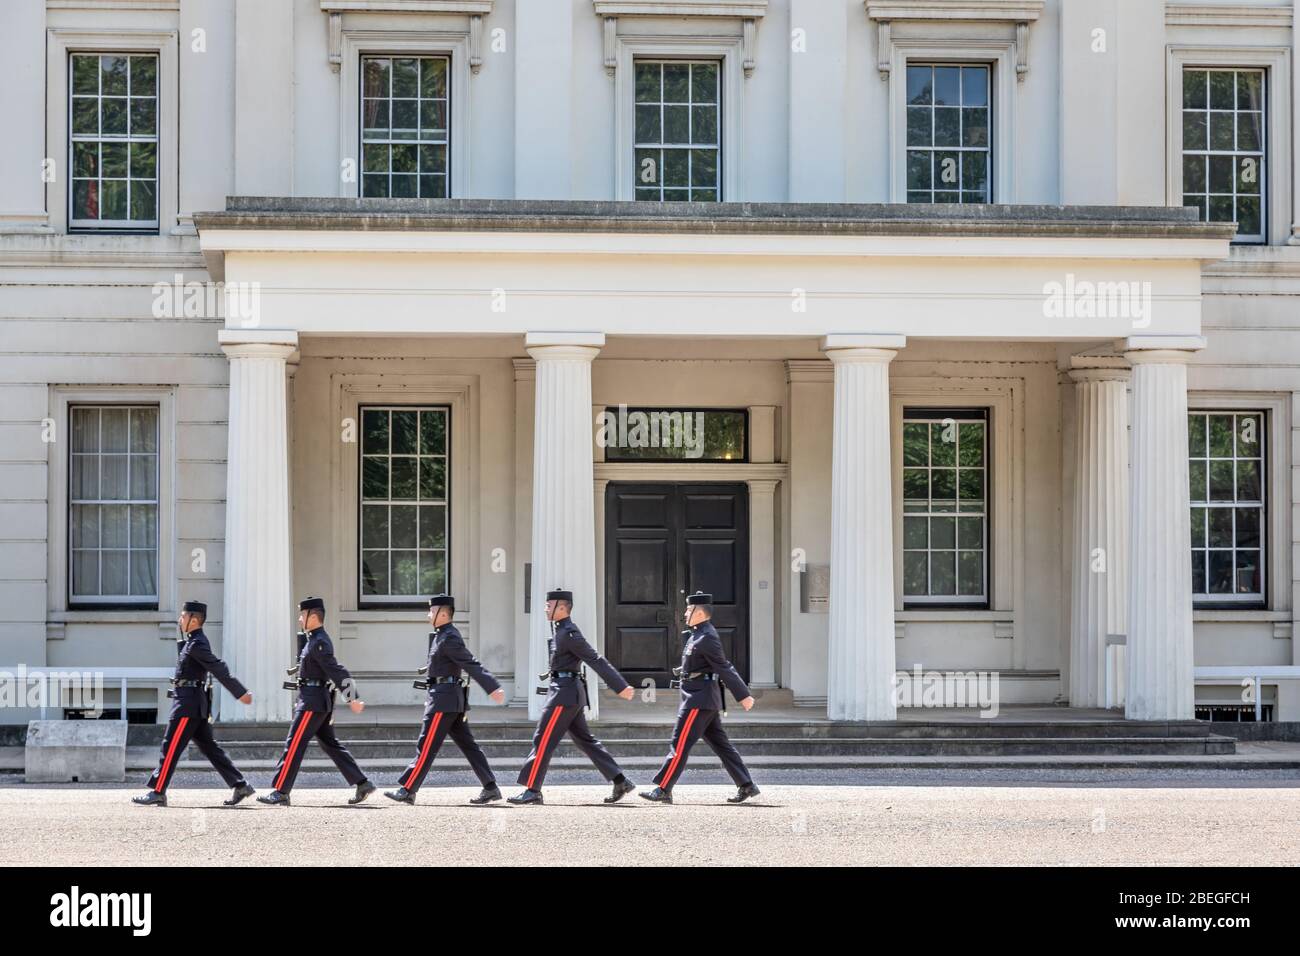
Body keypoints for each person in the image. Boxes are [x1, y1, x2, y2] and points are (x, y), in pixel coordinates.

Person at [508, 588, 636, 806]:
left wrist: (620, 686)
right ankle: (620, 780)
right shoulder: (560, 631)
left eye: (549, 605)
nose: (546, 609)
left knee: (543, 738)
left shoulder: (569, 633)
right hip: (566, 691)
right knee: (585, 741)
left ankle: (532, 789)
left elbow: (595, 659)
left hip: (564, 694)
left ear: (562, 607)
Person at [385, 593, 507, 805]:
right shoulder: (441, 635)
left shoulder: (449, 637)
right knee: (468, 746)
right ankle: (490, 787)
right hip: (447, 698)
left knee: (426, 744)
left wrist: (491, 686)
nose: (428, 614)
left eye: (431, 611)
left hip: (443, 700)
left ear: (443, 613)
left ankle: (408, 789)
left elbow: (471, 663)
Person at [640, 591, 760, 804]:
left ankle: (664, 788)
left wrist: (743, 695)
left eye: (688, 609)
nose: (685, 613)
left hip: (698, 699)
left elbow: (724, 666)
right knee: (722, 746)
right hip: (701, 697)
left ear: (700, 613)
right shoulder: (697, 634)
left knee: (680, 743)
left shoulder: (707, 637)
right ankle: (747, 785)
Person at [132, 600, 255, 807]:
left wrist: (239, 691)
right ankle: (240, 784)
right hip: (193, 703)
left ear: (194, 620)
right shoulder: (192, 642)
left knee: (170, 746)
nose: (180, 620)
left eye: (183, 616)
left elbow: (218, 667)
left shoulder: (197, 643)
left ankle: (158, 790)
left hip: (188, 705)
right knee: (210, 748)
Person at [257, 596, 375, 806]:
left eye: (303, 615)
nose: (300, 619)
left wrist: (352, 697)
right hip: (314, 699)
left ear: (313, 616)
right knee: (330, 744)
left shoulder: (319, 642)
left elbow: (336, 670)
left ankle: (281, 790)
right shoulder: (312, 639)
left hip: (312, 702)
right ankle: (362, 783)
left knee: (294, 743)